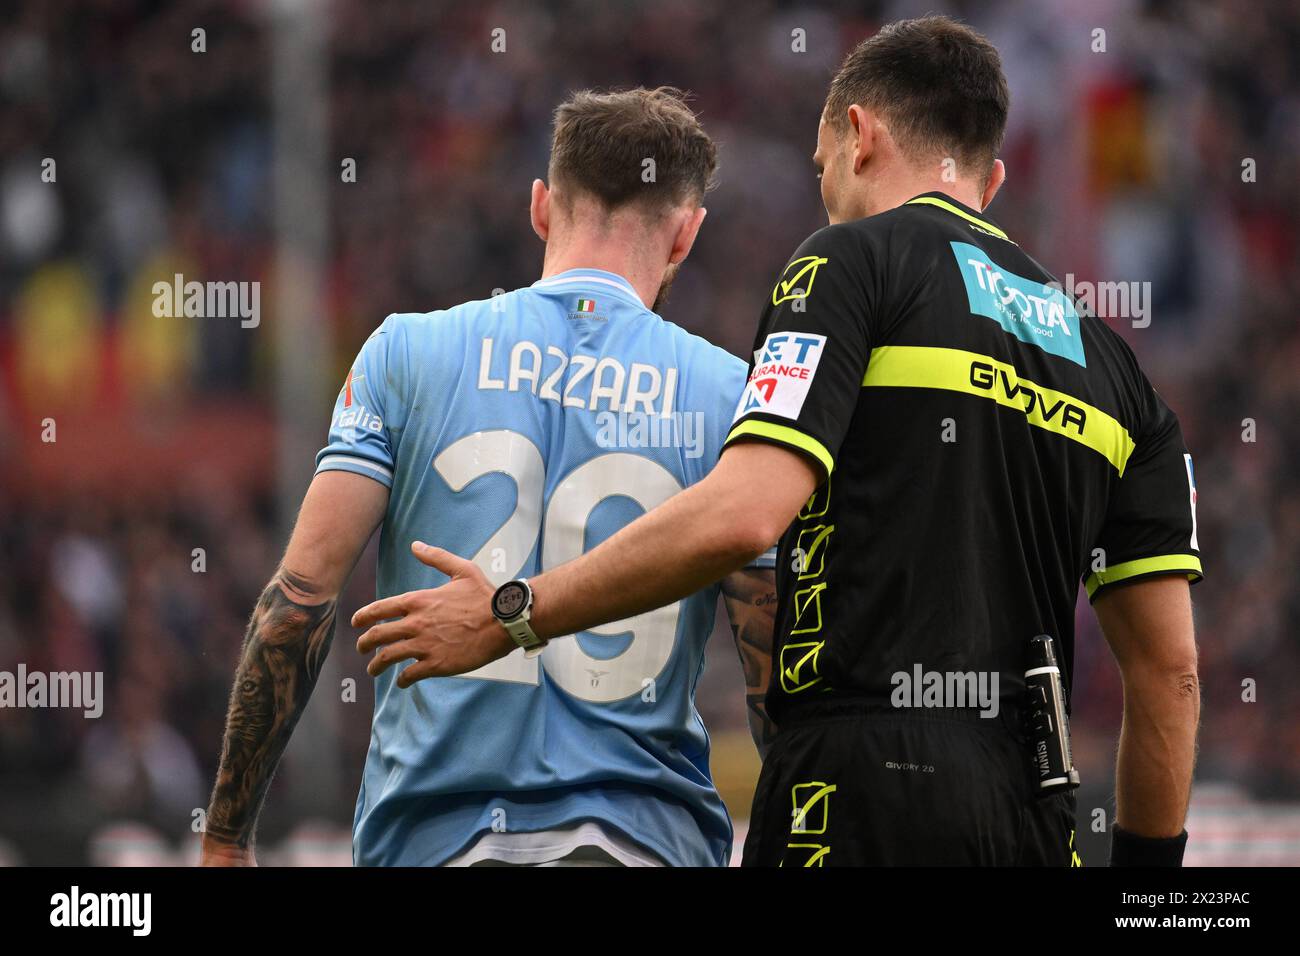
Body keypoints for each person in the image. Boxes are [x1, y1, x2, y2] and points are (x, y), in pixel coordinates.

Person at [357, 17, 1203, 867]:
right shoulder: (1116, 372)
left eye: (822, 162)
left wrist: (517, 613)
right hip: (1032, 811)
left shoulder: (846, 266)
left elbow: (745, 516)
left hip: (855, 794)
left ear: (860, 134)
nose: (824, 186)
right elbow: (1170, 676)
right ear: (994, 176)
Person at [200, 87, 779, 868]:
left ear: (541, 207)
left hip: (436, 840)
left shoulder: (407, 353)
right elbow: (770, 664)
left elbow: (297, 605)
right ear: (685, 234)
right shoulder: (733, 395)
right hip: (644, 839)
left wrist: (226, 835)